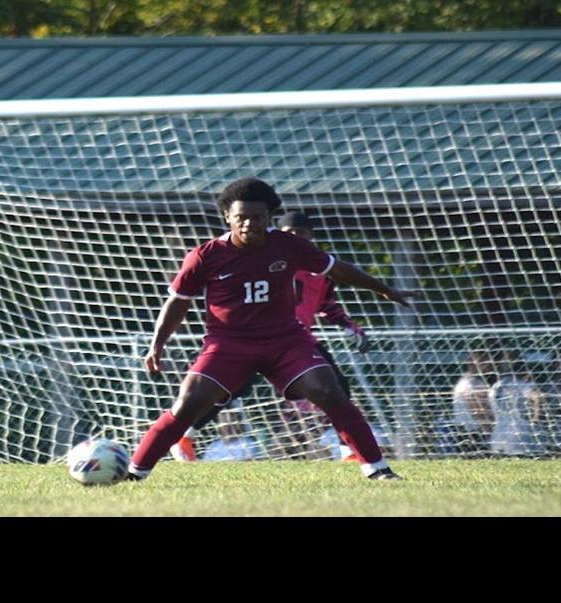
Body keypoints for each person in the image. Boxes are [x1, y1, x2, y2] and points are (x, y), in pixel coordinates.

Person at [129, 177, 415, 481]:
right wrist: (157, 345)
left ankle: (377, 469)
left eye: (258, 217)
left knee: (328, 390)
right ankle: (135, 472)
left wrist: (383, 288)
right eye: (241, 217)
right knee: (189, 402)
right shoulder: (205, 255)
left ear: (269, 218)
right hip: (228, 344)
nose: (249, 224)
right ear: (227, 216)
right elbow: (178, 301)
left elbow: (337, 268)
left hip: (285, 341)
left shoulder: (288, 245)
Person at [173, 210, 371, 463]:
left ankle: (348, 450)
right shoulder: (268, 258)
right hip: (253, 338)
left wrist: (349, 326)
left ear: (311, 237)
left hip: (297, 341)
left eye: (302, 233)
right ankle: (184, 436)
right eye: (290, 232)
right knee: (227, 390)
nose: (296, 237)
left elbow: (326, 304)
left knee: (337, 387)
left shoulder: (319, 269)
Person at [489, 353, 544, 456]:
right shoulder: (523, 385)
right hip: (521, 439)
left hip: (498, 438)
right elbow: (537, 397)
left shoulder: (495, 387)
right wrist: (536, 417)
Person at [450, 350, 496, 456]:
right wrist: (490, 433)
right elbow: (479, 411)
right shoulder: (473, 384)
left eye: (488, 361)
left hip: (465, 432)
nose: (488, 365)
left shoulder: (468, 381)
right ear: (471, 364)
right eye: (483, 362)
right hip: (474, 434)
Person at [199, 412, 265, 461]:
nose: (228, 429)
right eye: (224, 425)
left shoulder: (249, 444)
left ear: (237, 425)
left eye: (231, 424)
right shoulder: (212, 447)